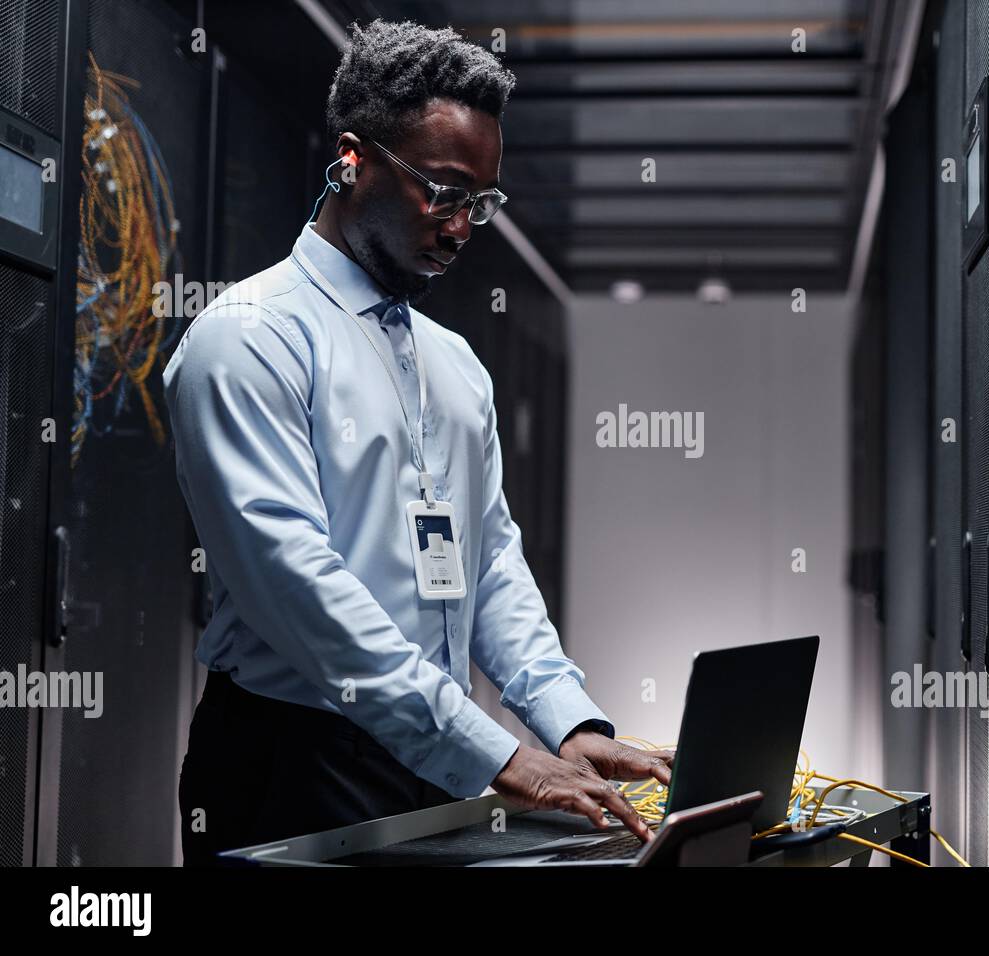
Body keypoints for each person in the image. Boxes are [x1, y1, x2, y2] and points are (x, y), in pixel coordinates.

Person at [163, 18, 671, 865]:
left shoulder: (454, 364)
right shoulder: (247, 339)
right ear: (352, 160)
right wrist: (498, 753)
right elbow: (300, 590)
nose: (463, 225)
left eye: (480, 202)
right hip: (293, 762)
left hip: (438, 759)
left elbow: (491, 559)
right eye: (442, 192)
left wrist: (565, 721)